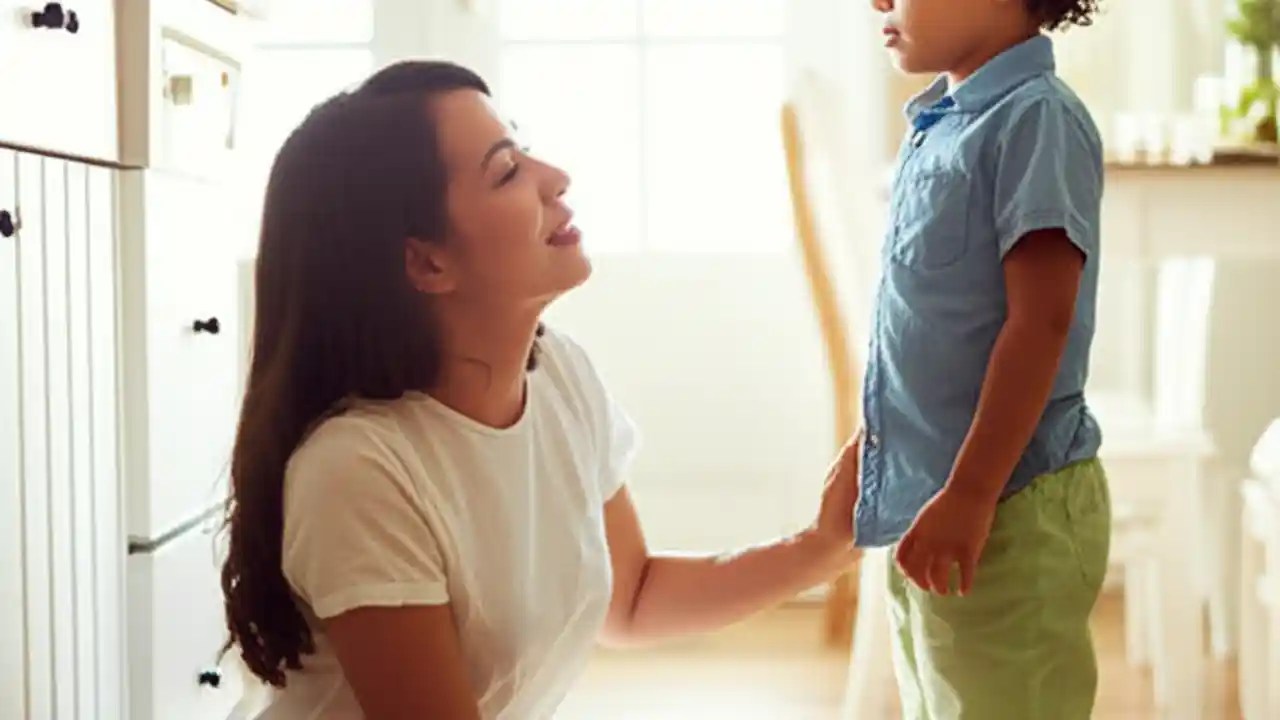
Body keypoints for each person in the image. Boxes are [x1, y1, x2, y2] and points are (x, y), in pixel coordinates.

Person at [218, 60, 862, 720]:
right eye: (506, 171)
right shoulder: (360, 470)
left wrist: (823, 546)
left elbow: (632, 597)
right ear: (425, 261)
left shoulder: (560, 377)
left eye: (523, 151)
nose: (554, 178)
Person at [860, 0, 1110, 718]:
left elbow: (1041, 322)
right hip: (931, 500)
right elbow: (923, 322)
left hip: (1006, 504)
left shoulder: (1036, 122)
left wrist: (971, 495)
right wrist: (875, 445)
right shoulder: (940, 125)